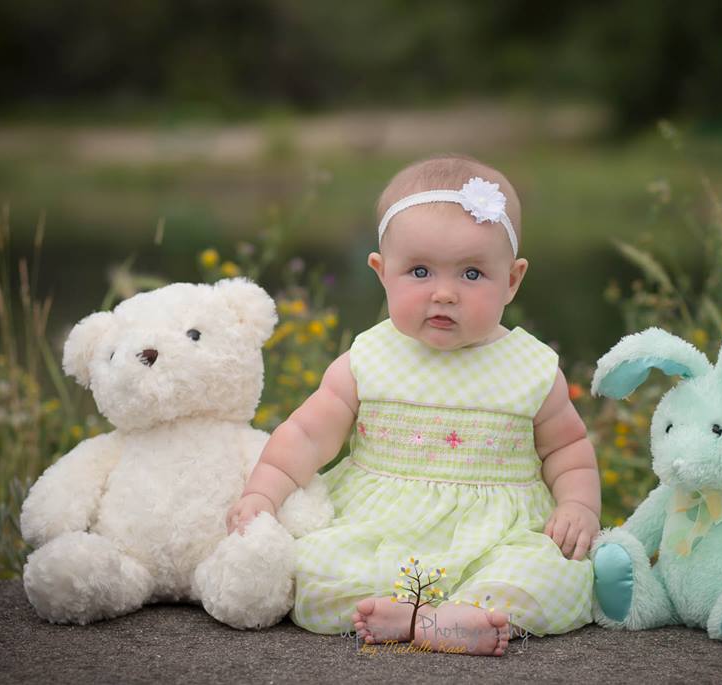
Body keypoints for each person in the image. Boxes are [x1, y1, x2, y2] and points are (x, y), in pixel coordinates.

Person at [226, 155, 600, 656]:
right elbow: (307, 435)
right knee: (315, 571)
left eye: (472, 274)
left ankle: (450, 617)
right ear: (382, 272)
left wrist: (578, 506)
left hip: (500, 533)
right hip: (381, 528)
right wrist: (263, 493)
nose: (443, 294)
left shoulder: (531, 367)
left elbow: (568, 448)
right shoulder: (369, 358)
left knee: (552, 574)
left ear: (511, 280)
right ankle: (420, 617)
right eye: (419, 271)